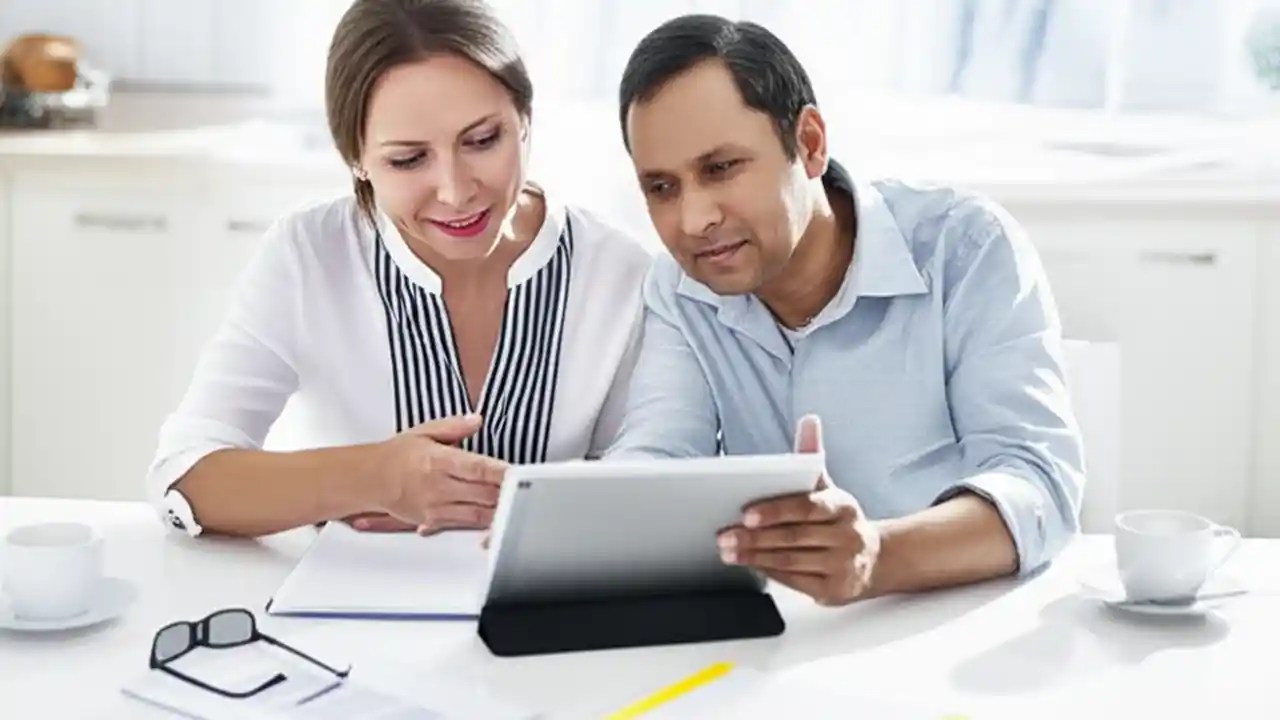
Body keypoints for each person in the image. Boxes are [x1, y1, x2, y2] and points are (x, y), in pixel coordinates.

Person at [609, 15, 1085, 606]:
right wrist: (562, 508)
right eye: (661, 188)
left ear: (808, 144)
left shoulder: (965, 249)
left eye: (721, 168)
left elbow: (1038, 486)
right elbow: (659, 453)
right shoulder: (680, 288)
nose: (693, 219)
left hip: (960, 627)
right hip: (788, 647)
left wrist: (876, 556)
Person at [146, 0, 650, 539]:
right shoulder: (310, 255)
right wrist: (373, 476)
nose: (456, 192)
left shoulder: (617, 272)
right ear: (356, 159)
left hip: (548, 607)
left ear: (524, 120)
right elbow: (185, 475)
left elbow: (648, 484)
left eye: (482, 141)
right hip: (347, 612)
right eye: (408, 160)